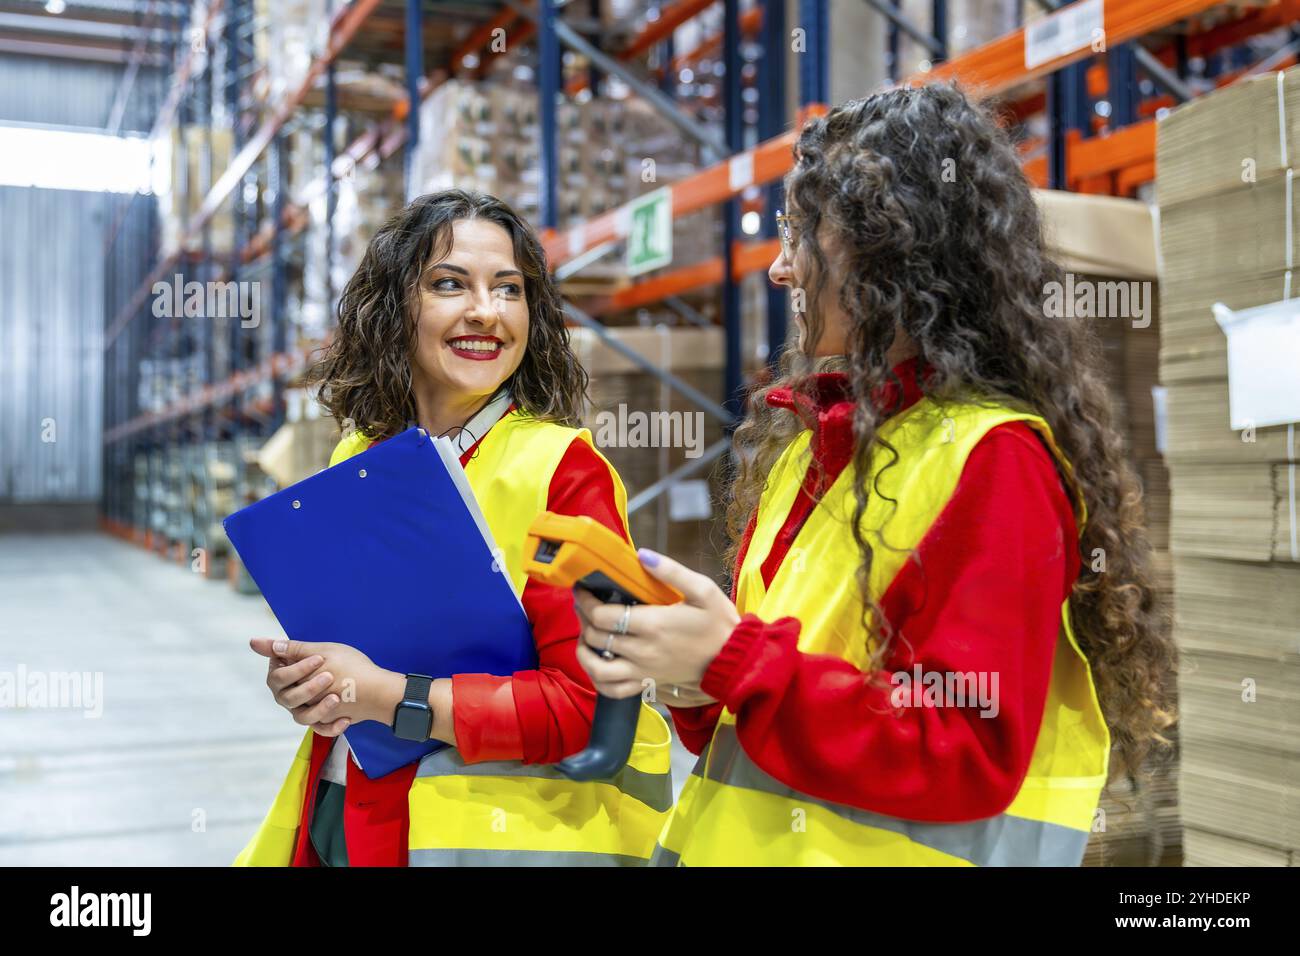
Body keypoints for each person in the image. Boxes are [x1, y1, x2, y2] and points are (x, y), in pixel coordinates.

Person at [573, 84, 1176, 866]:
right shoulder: (804, 453)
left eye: (805, 235)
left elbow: (963, 747)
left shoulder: (995, 463)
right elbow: (761, 724)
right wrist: (691, 676)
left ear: (896, 246)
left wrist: (730, 660)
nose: (782, 271)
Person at [235, 189, 671, 867]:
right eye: (449, 285)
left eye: (509, 289)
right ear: (396, 308)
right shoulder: (358, 455)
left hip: (477, 839)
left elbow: (582, 708)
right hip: (344, 811)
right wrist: (315, 686)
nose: (486, 312)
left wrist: (386, 696)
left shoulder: (563, 470)